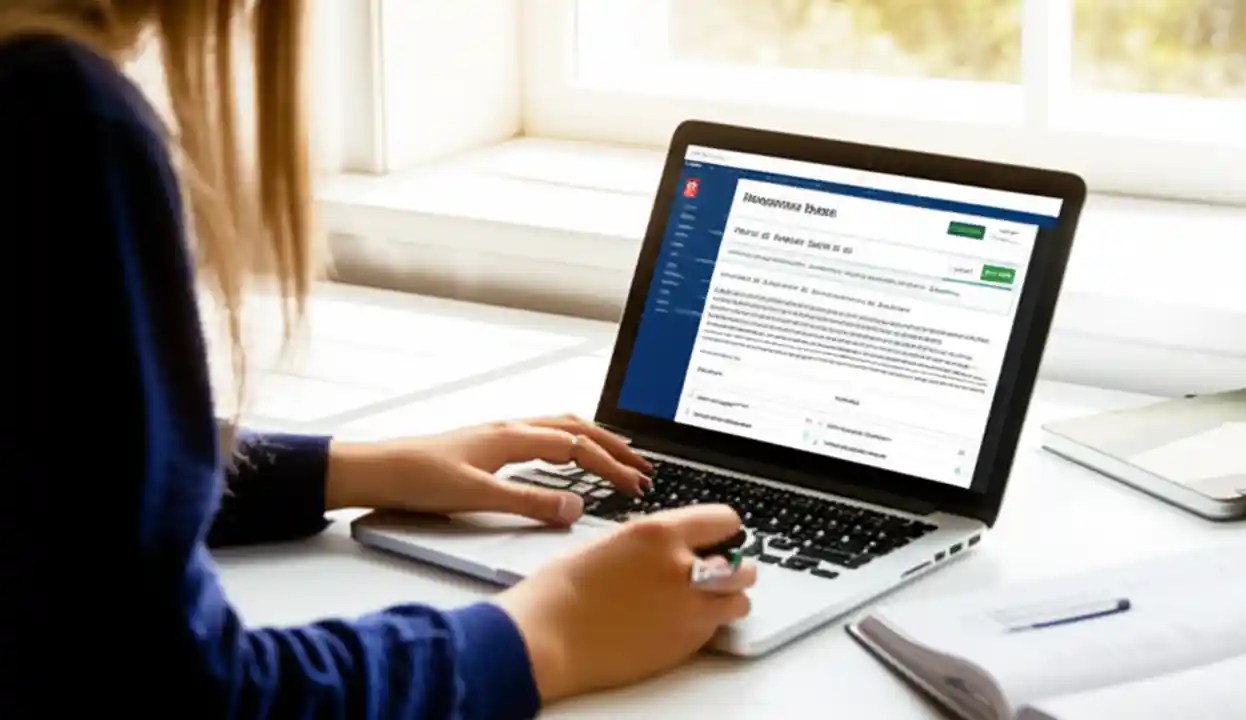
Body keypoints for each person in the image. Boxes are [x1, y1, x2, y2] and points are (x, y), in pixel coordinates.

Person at [0, 2, 756, 717]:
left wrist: (351, 468)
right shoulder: (54, 114)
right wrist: (547, 629)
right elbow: (179, 694)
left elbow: (51, 470)